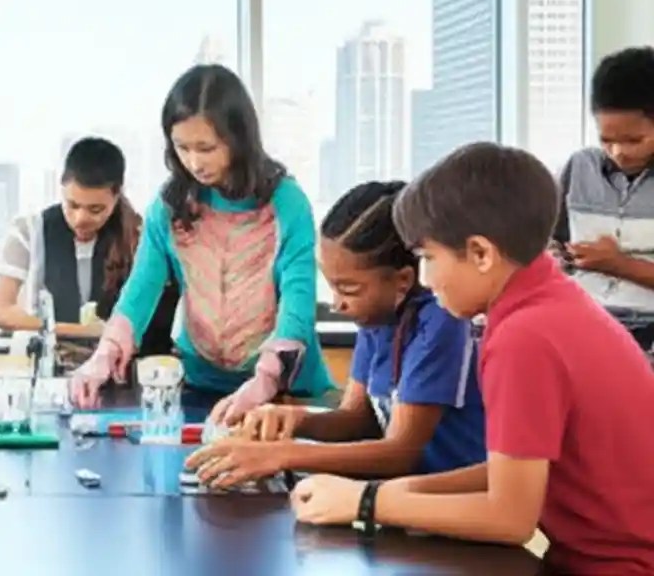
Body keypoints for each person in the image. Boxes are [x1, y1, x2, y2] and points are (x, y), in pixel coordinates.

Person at [291, 143, 654, 573]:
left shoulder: (524, 337)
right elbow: (511, 473)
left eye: (428, 258)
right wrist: (392, 493)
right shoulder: (549, 302)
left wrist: (368, 502)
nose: (426, 278)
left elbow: (509, 517)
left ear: (481, 253)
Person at [70, 64, 333, 417]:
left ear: (238, 139)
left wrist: (268, 378)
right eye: (182, 147)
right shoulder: (170, 207)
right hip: (202, 387)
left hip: (284, 392)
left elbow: (298, 301)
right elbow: (141, 289)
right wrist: (106, 352)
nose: (194, 162)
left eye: (206, 148)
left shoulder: (286, 203)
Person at [185, 181, 485, 488]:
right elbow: (358, 419)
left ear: (403, 281)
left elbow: (399, 452)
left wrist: (282, 455)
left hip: (448, 500)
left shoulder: (441, 323)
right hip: (404, 495)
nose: (337, 303)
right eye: (332, 286)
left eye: (349, 289)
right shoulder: (377, 318)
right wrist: (293, 419)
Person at [0, 137, 178, 366]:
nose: (80, 219)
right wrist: (79, 331)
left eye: (96, 209)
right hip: (48, 365)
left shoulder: (140, 236)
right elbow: (1, 311)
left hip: (118, 368)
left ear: (117, 195)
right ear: (61, 188)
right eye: (72, 205)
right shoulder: (29, 230)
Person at [555, 45, 654, 351]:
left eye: (634, 140)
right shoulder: (579, 168)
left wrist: (617, 264)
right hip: (582, 321)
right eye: (606, 140)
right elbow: (550, 241)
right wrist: (556, 259)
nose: (618, 152)